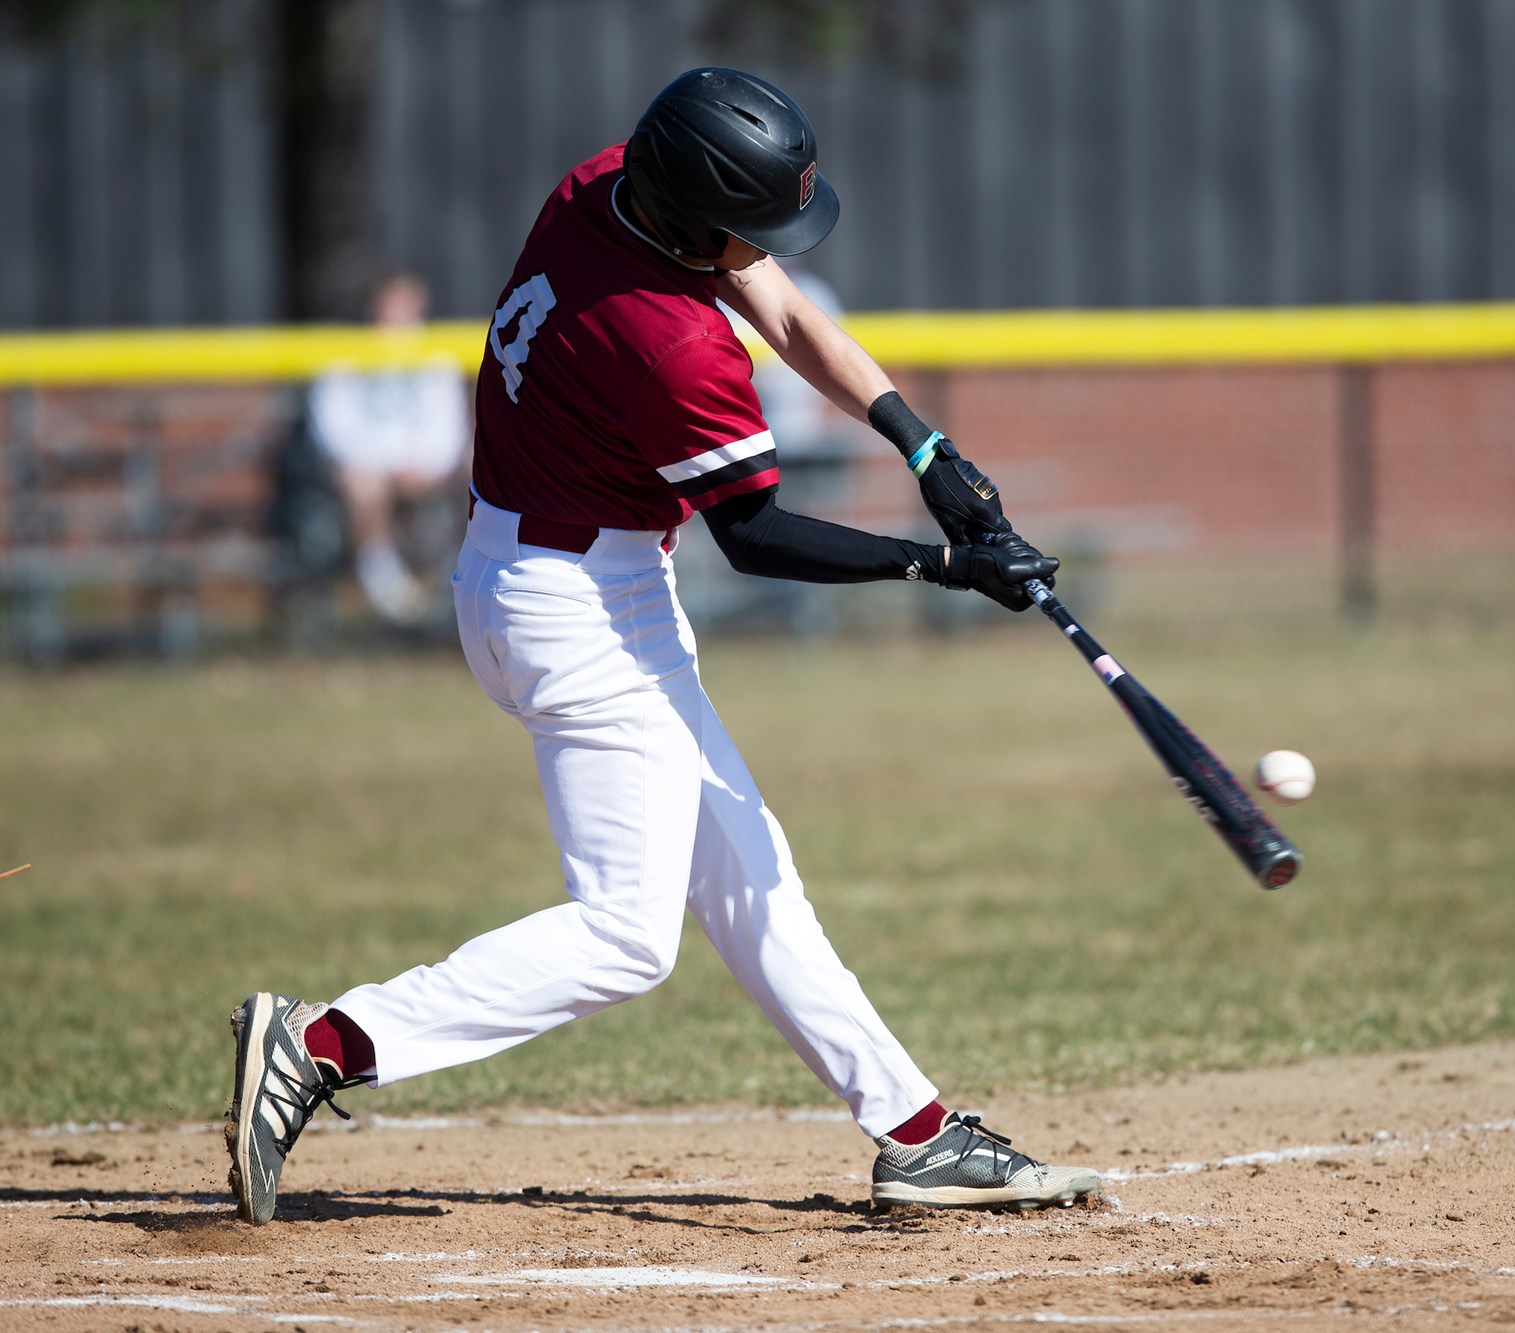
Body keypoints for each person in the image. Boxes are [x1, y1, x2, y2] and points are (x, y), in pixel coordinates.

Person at [224, 67, 1100, 1225]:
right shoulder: (670, 343)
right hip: (575, 608)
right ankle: (324, 1038)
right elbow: (755, 536)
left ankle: (914, 1131)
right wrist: (939, 568)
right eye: (743, 225)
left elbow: (783, 305)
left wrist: (923, 450)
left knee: (748, 868)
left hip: (547, 570)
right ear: (692, 215)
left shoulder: (603, 186)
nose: (757, 246)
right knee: (626, 939)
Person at [305, 271, 471, 625]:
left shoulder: (435, 357)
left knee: (480, 467)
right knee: (362, 485)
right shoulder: (346, 356)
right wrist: (387, 463)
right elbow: (334, 429)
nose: (398, 318)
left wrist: (423, 465)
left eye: (407, 309)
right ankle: (386, 589)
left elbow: (449, 428)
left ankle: (461, 573)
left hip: (424, 470)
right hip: (369, 469)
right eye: (391, 309)